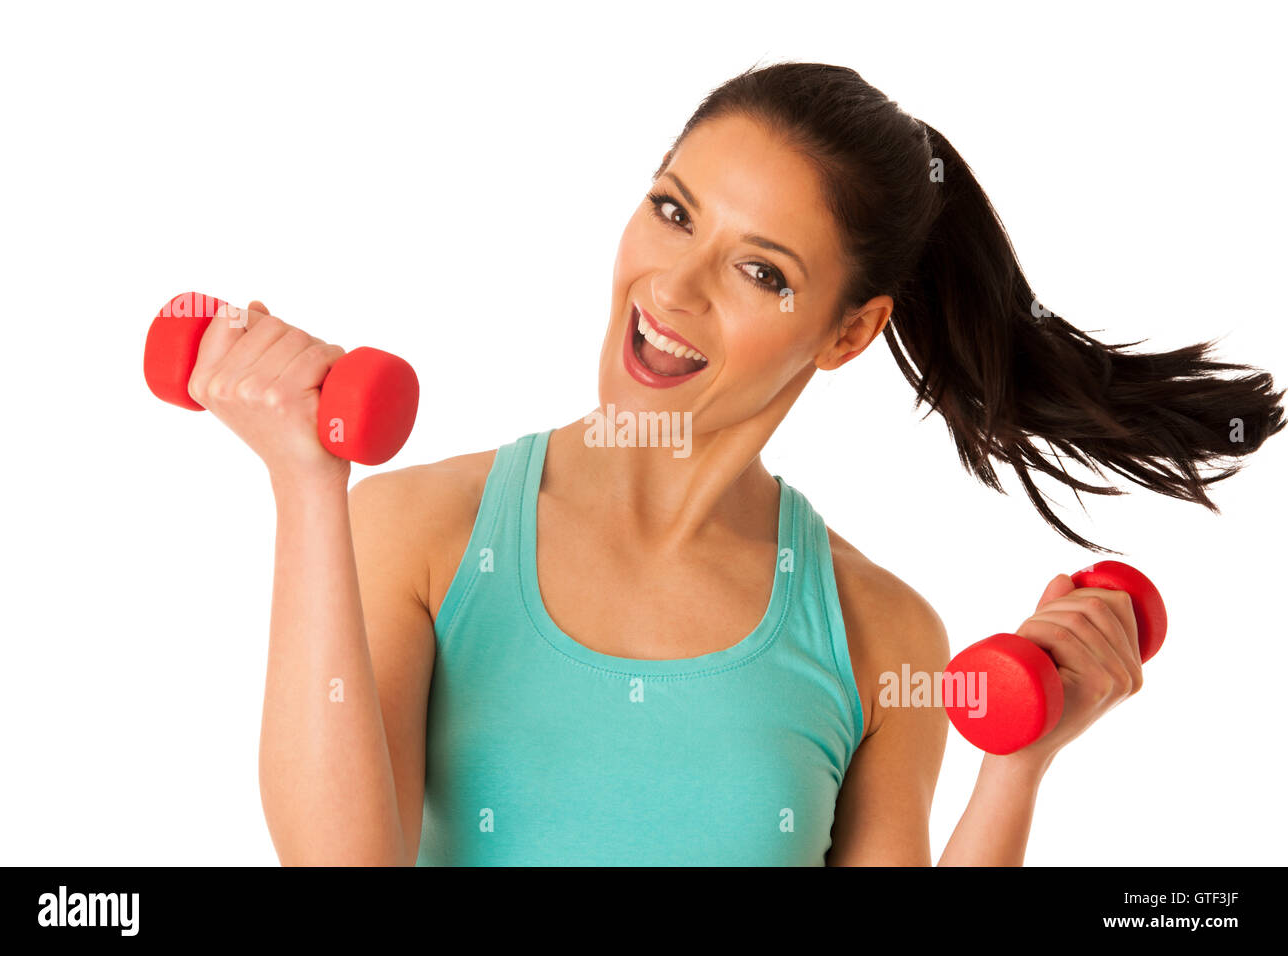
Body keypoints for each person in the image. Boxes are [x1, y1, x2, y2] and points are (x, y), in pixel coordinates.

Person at [185, 62, 1284, 865]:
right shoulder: (418, 531)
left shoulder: (877, 631)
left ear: (848, 333)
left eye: (761, 272)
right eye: (672, 211)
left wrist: (1017, 763)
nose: (673, 287)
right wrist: (304, 482)